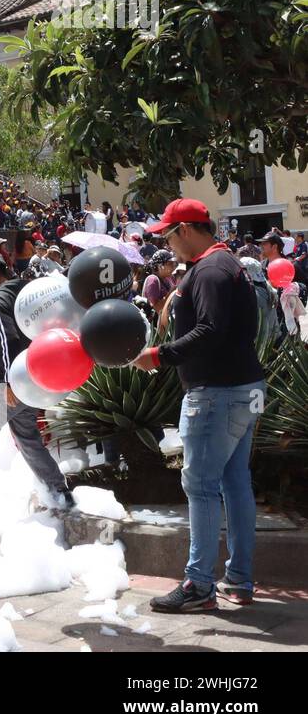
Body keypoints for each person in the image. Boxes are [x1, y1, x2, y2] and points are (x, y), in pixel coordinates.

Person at [134, 199, 266, 611]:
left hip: (216, 394)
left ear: (187, 230)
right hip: (243, 389)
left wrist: (159, 355)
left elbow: (209, 329)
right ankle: (240, 580)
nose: (169, 245)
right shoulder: (227, 264)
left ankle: (198, 585)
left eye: (169, 235)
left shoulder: (208, 270)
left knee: (202, 488)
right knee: (235, 483)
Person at [0, 254, 74, 508]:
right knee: (28, 439)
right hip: (33, 383)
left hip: (5, 385)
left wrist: (9, 381)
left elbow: (6, 340)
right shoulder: (28, 291)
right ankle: (60, 492)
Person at [141, 249, 177, 320]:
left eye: (173, 263)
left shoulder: (170, 278)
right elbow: (157, 309)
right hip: (156, 327)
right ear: (160, 266)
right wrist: (170, 293)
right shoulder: (153, 280)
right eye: (169, 264)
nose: (173, 266)